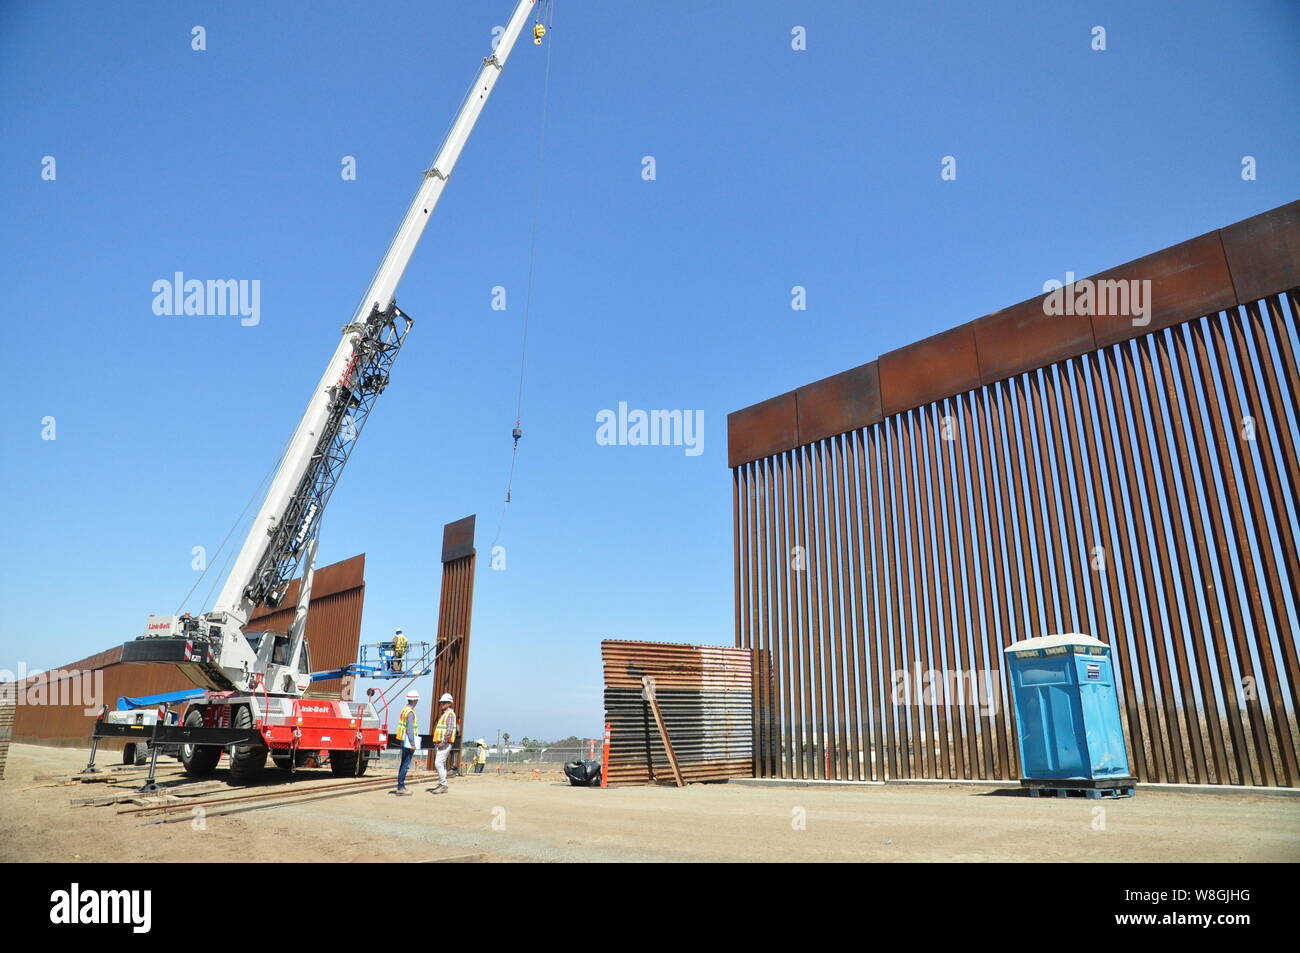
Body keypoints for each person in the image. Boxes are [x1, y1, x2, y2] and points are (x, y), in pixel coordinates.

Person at [430, 692, 458, 794]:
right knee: (441, 764)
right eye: (441, 703)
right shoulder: (445, 714)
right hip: (441, 743)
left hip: (444, 743)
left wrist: (444, 742)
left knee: (438, 763)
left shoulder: (450, 715)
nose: (441, 704)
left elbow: (449, 729)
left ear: (449, 703)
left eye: (444, 703)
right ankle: (442, 783)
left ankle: (443, 784)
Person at [394, 689, 420, 796]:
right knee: (406, 764)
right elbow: (410, 729)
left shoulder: (404, 710)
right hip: (408, 741)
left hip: (403, 739)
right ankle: (401, 787)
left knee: (403, 763)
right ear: (414, 701)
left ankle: (400, 785)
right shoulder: (410, 712)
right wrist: (413, 743)